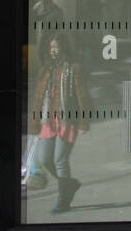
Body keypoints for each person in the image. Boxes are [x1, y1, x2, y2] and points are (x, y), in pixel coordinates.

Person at [27, 36, 89, 213]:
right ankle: (69, 184)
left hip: (66, 119)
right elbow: (38, 98)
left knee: (60, 159)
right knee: (46, 159)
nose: (54, 50)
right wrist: (34, 124)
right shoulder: (46, 69)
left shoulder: (73, 68)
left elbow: (81, 94)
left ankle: (63, 201)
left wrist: (83, 122)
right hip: (48, 120)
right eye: (51, 46)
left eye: (57, 46)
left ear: (64, 48)